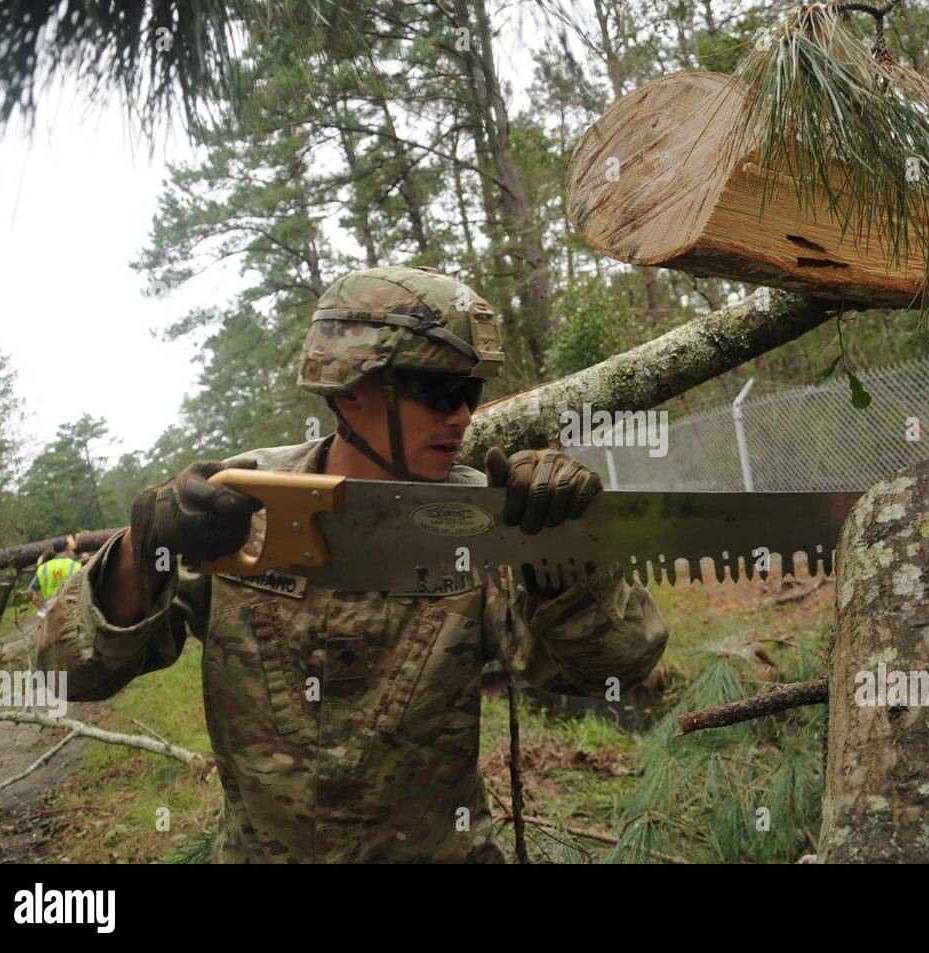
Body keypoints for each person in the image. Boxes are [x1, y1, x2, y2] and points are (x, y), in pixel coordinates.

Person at [36, 266, 668, 862]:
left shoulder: (479, 519)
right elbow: (66, 675)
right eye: (439, 390)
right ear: (353, 387)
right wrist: (143, 556)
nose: (463, 415)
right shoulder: (239, 505)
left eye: (471, 392)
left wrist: (560, 555)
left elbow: (612, 668)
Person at [28, 535, 82, 613]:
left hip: (51, 614)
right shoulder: (75, 566)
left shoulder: (43, 568)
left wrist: (44, 609)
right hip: (71, 612)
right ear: (67, 548)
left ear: (53, 550)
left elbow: (30, 592)